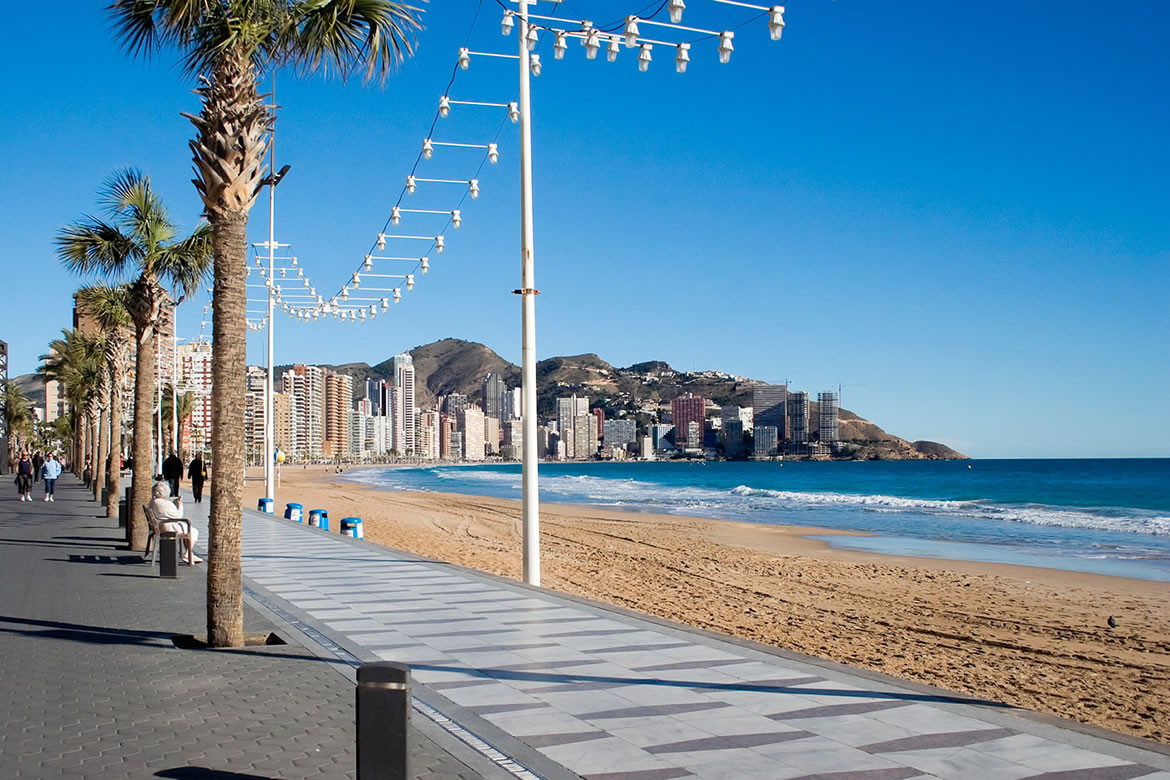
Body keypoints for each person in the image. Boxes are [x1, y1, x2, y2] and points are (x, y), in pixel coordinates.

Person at [149, 481, 200, 564]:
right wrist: (180, 505)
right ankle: (187, 553)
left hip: (161, 525)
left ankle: (190, 553)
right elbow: (178, 516)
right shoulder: (164, 503)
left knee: (186, 528)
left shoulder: (153, 502)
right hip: (168, 526)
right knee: (193, 531)